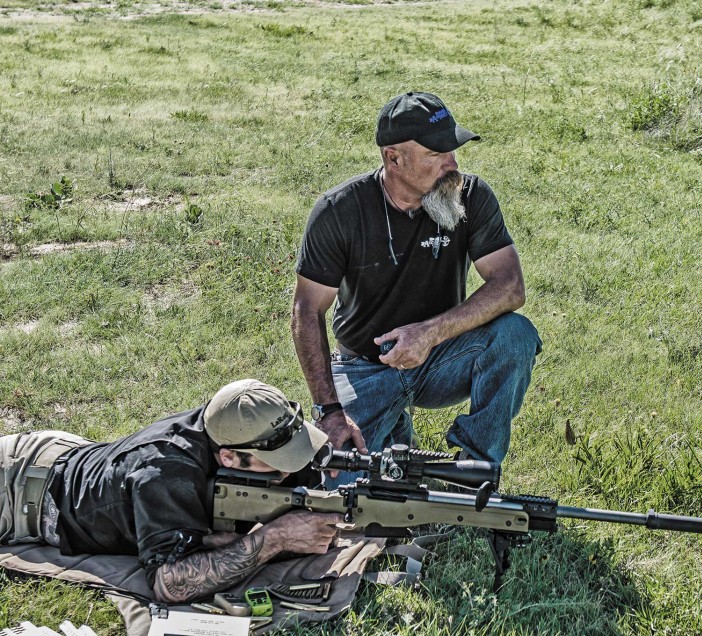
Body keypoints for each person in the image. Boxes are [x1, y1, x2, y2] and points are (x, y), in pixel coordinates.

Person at [292, 91, 541, 476]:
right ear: (394, 157)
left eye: (452, 150)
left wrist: (430, 333)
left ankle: (475, 472)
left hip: (441, 358)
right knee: (338, 486)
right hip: (363, 368)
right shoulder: (339, 210)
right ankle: (393, 433)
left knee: (514, 335)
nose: (452, 163)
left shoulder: (469, 195)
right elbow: (306, 311)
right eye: (436, 154)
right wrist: (329, 410)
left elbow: (510, 286)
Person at [0, 379, 342, 604]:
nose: (289, 470)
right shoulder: (163, 473)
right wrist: (275, 539)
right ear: (228, 456)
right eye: (276, 462)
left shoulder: (231, 421)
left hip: (61, 452)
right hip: (17, 493)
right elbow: (170, 584)